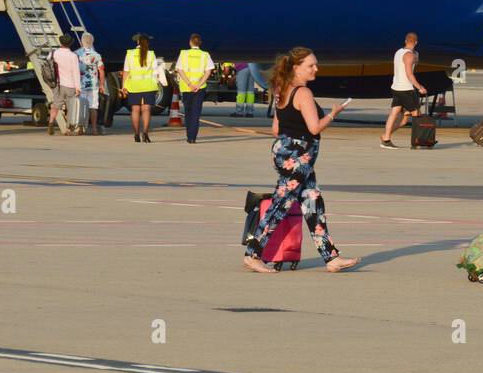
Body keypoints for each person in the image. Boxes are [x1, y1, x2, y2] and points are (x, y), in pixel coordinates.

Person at [242, 47, 359, 274]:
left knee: (313, 202)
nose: (316, 68)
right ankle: (253, 253)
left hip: (288, 153)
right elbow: (314, 127)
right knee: (281, 204)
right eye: (311, 65)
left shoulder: (281, 89)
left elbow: (276, 128)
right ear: (296, 68)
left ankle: (331, 257)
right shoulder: (303, 93)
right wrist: (333, 113)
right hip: (298, 158)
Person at [380, 32, 426, 149]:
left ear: (405, 41)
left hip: (396, 87)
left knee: (399, 117)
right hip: (406, 89)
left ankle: (386, 138)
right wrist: (419, 87)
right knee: (416, 114)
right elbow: (409, 74)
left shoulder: (398, 52)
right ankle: (417, 142)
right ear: (416, 42)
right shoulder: (410, 55)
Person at [174, 34, 214, 145]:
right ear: (200, 43)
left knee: (188, 112)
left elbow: (180, 70)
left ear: (190, 42)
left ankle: (188, 135)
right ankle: (193, 137)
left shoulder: (184, 54)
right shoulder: (205, 55)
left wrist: (189, 84)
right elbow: (208, 71)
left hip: (187, 88)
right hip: (199, 88)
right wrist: (199, 84)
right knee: (196, 113)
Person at [120, 33, 158, 143]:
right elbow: (155, 71)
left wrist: (124, 86)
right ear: (147, 43)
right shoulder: (151, 54)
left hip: (134, 85)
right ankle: (145, 133)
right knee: (146, 109)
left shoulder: (130, 54)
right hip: (149, 85)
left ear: (137, 42)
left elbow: (126, 71)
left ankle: (136, 134)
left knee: (135, 110)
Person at [49, 34, 82, 135]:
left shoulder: (53, 53)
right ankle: (68, 129)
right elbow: (76, 72)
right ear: (71, 43)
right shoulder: (73, 56)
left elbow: (48, 64)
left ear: (60, 42)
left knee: (55, 105)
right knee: (70, 108)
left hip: (58, 84)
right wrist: (78, 87)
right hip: (70, 84)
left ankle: (51, 122)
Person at [76, 32, 106, 135]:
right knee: (93, 107)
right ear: (92, 42)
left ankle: (80, 128)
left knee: (81, 107)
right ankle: (94, 129)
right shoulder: (97, 55)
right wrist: (102, 85)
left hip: (81, 85)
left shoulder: (77, 54)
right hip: (93, 85)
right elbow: (101, 70)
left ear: (82, 41)